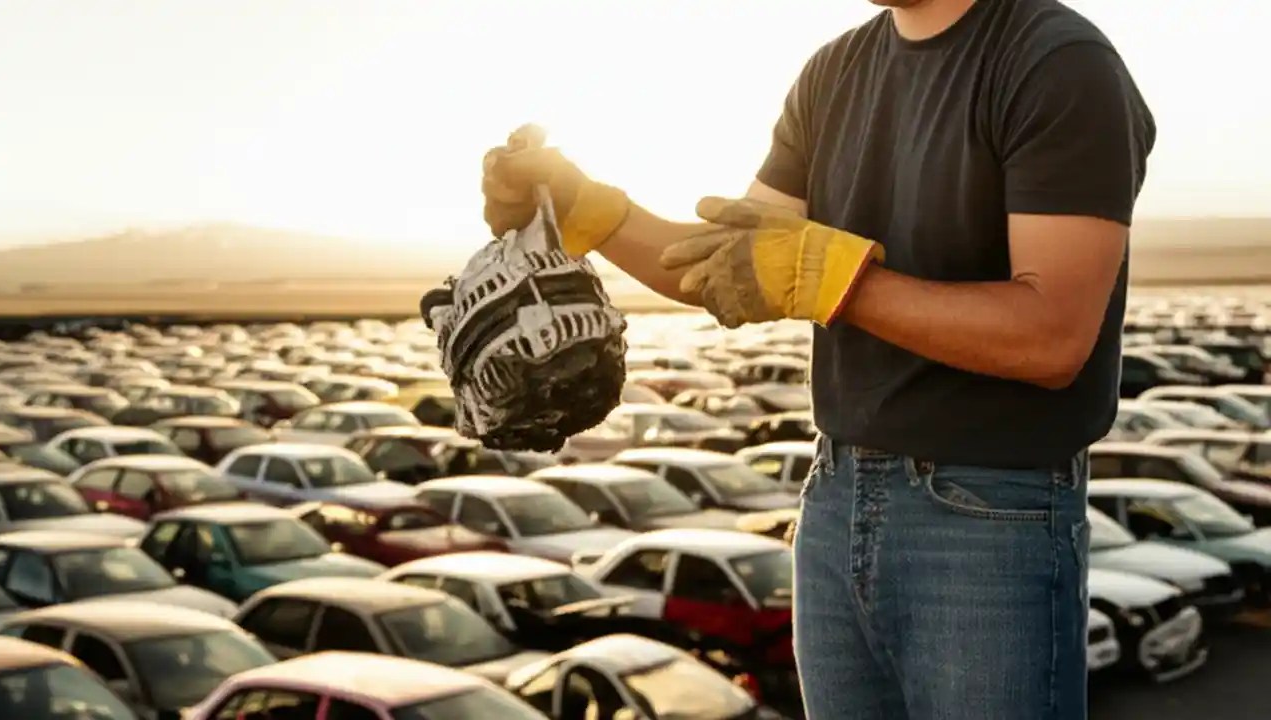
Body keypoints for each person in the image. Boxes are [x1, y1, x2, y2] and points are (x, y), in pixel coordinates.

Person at [480, 0, 1154, 717]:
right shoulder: (834, 72)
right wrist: (590, 210)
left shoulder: (1058, 61)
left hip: (988, 516)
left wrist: (840, 283)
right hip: (834, 500)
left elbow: (1052, 338)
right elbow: (725, 265)